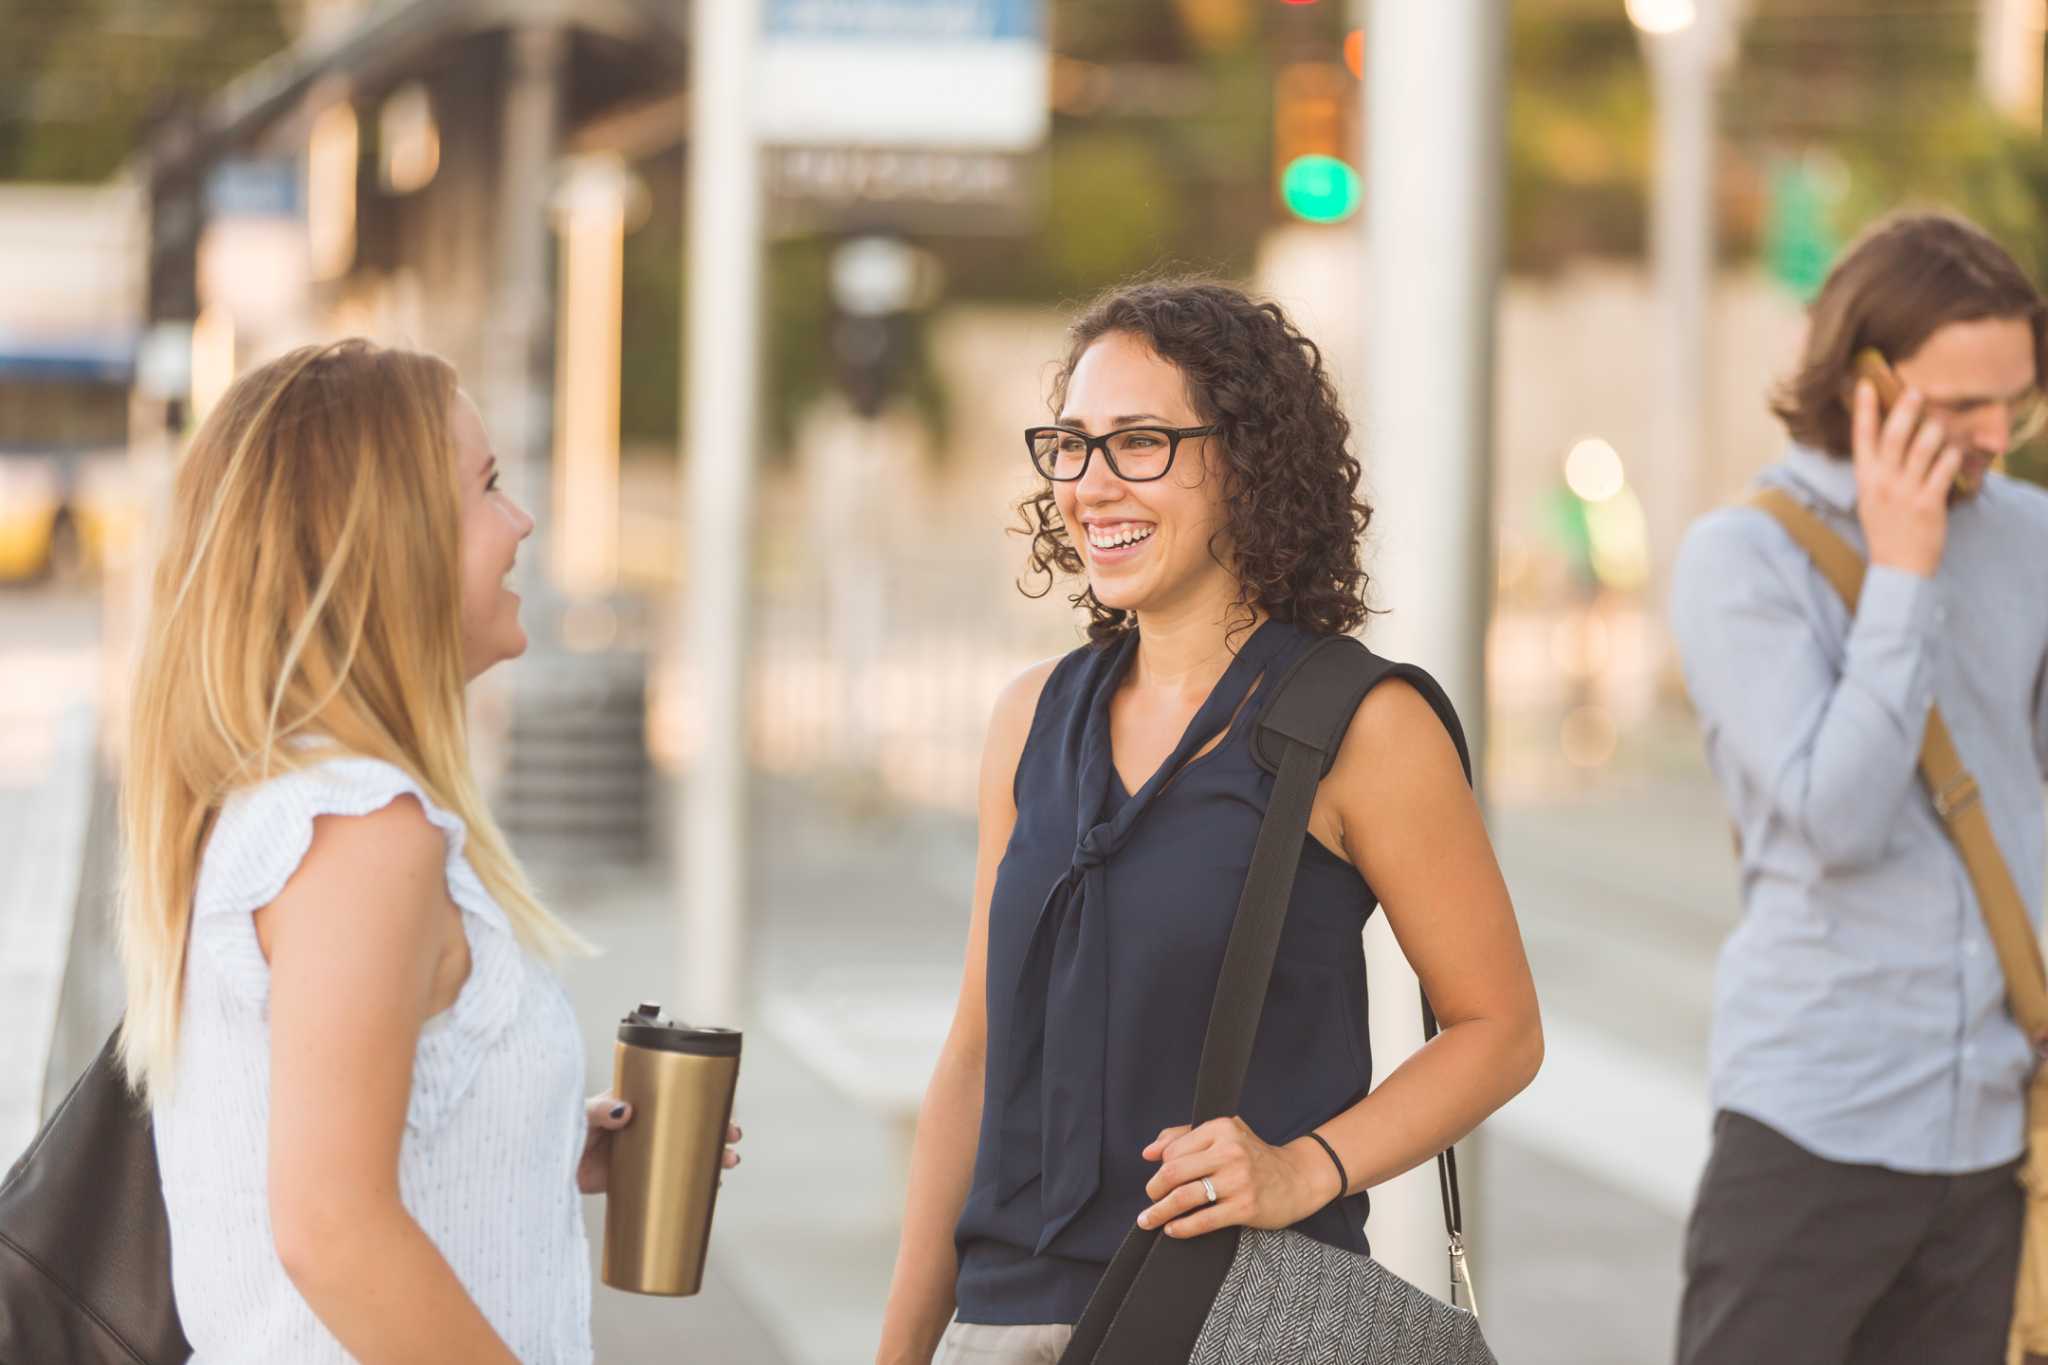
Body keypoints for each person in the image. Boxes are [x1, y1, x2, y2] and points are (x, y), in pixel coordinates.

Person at [874, 280, 1544, 1365]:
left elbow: (1498, 1028)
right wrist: (901, 1351)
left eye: (1140, 442)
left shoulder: (1362, 723)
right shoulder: (1030, 719)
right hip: (999, 1327)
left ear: (1245, 463)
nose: (1091, 484)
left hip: (1239, 1327)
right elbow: (976, 1057)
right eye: (1071, 445)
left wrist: (1304, 1168)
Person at [115, 340, 740, 1363]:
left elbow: (322, 1151)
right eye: (486, 487)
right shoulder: (359, 829)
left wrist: (533, 1138)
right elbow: (331, 1229)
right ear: (387, 542)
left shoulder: (289, 803)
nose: (520, 521)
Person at [1671, 211, 2048, 1364]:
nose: (1995, 437)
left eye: (2017, 402)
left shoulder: (2030, 539)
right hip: (1813, 1123)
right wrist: (1902, 571)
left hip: (1994, 1134)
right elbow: (1833, 817)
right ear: (1861, 379)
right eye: (1961, 405)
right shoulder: (1740, 559)